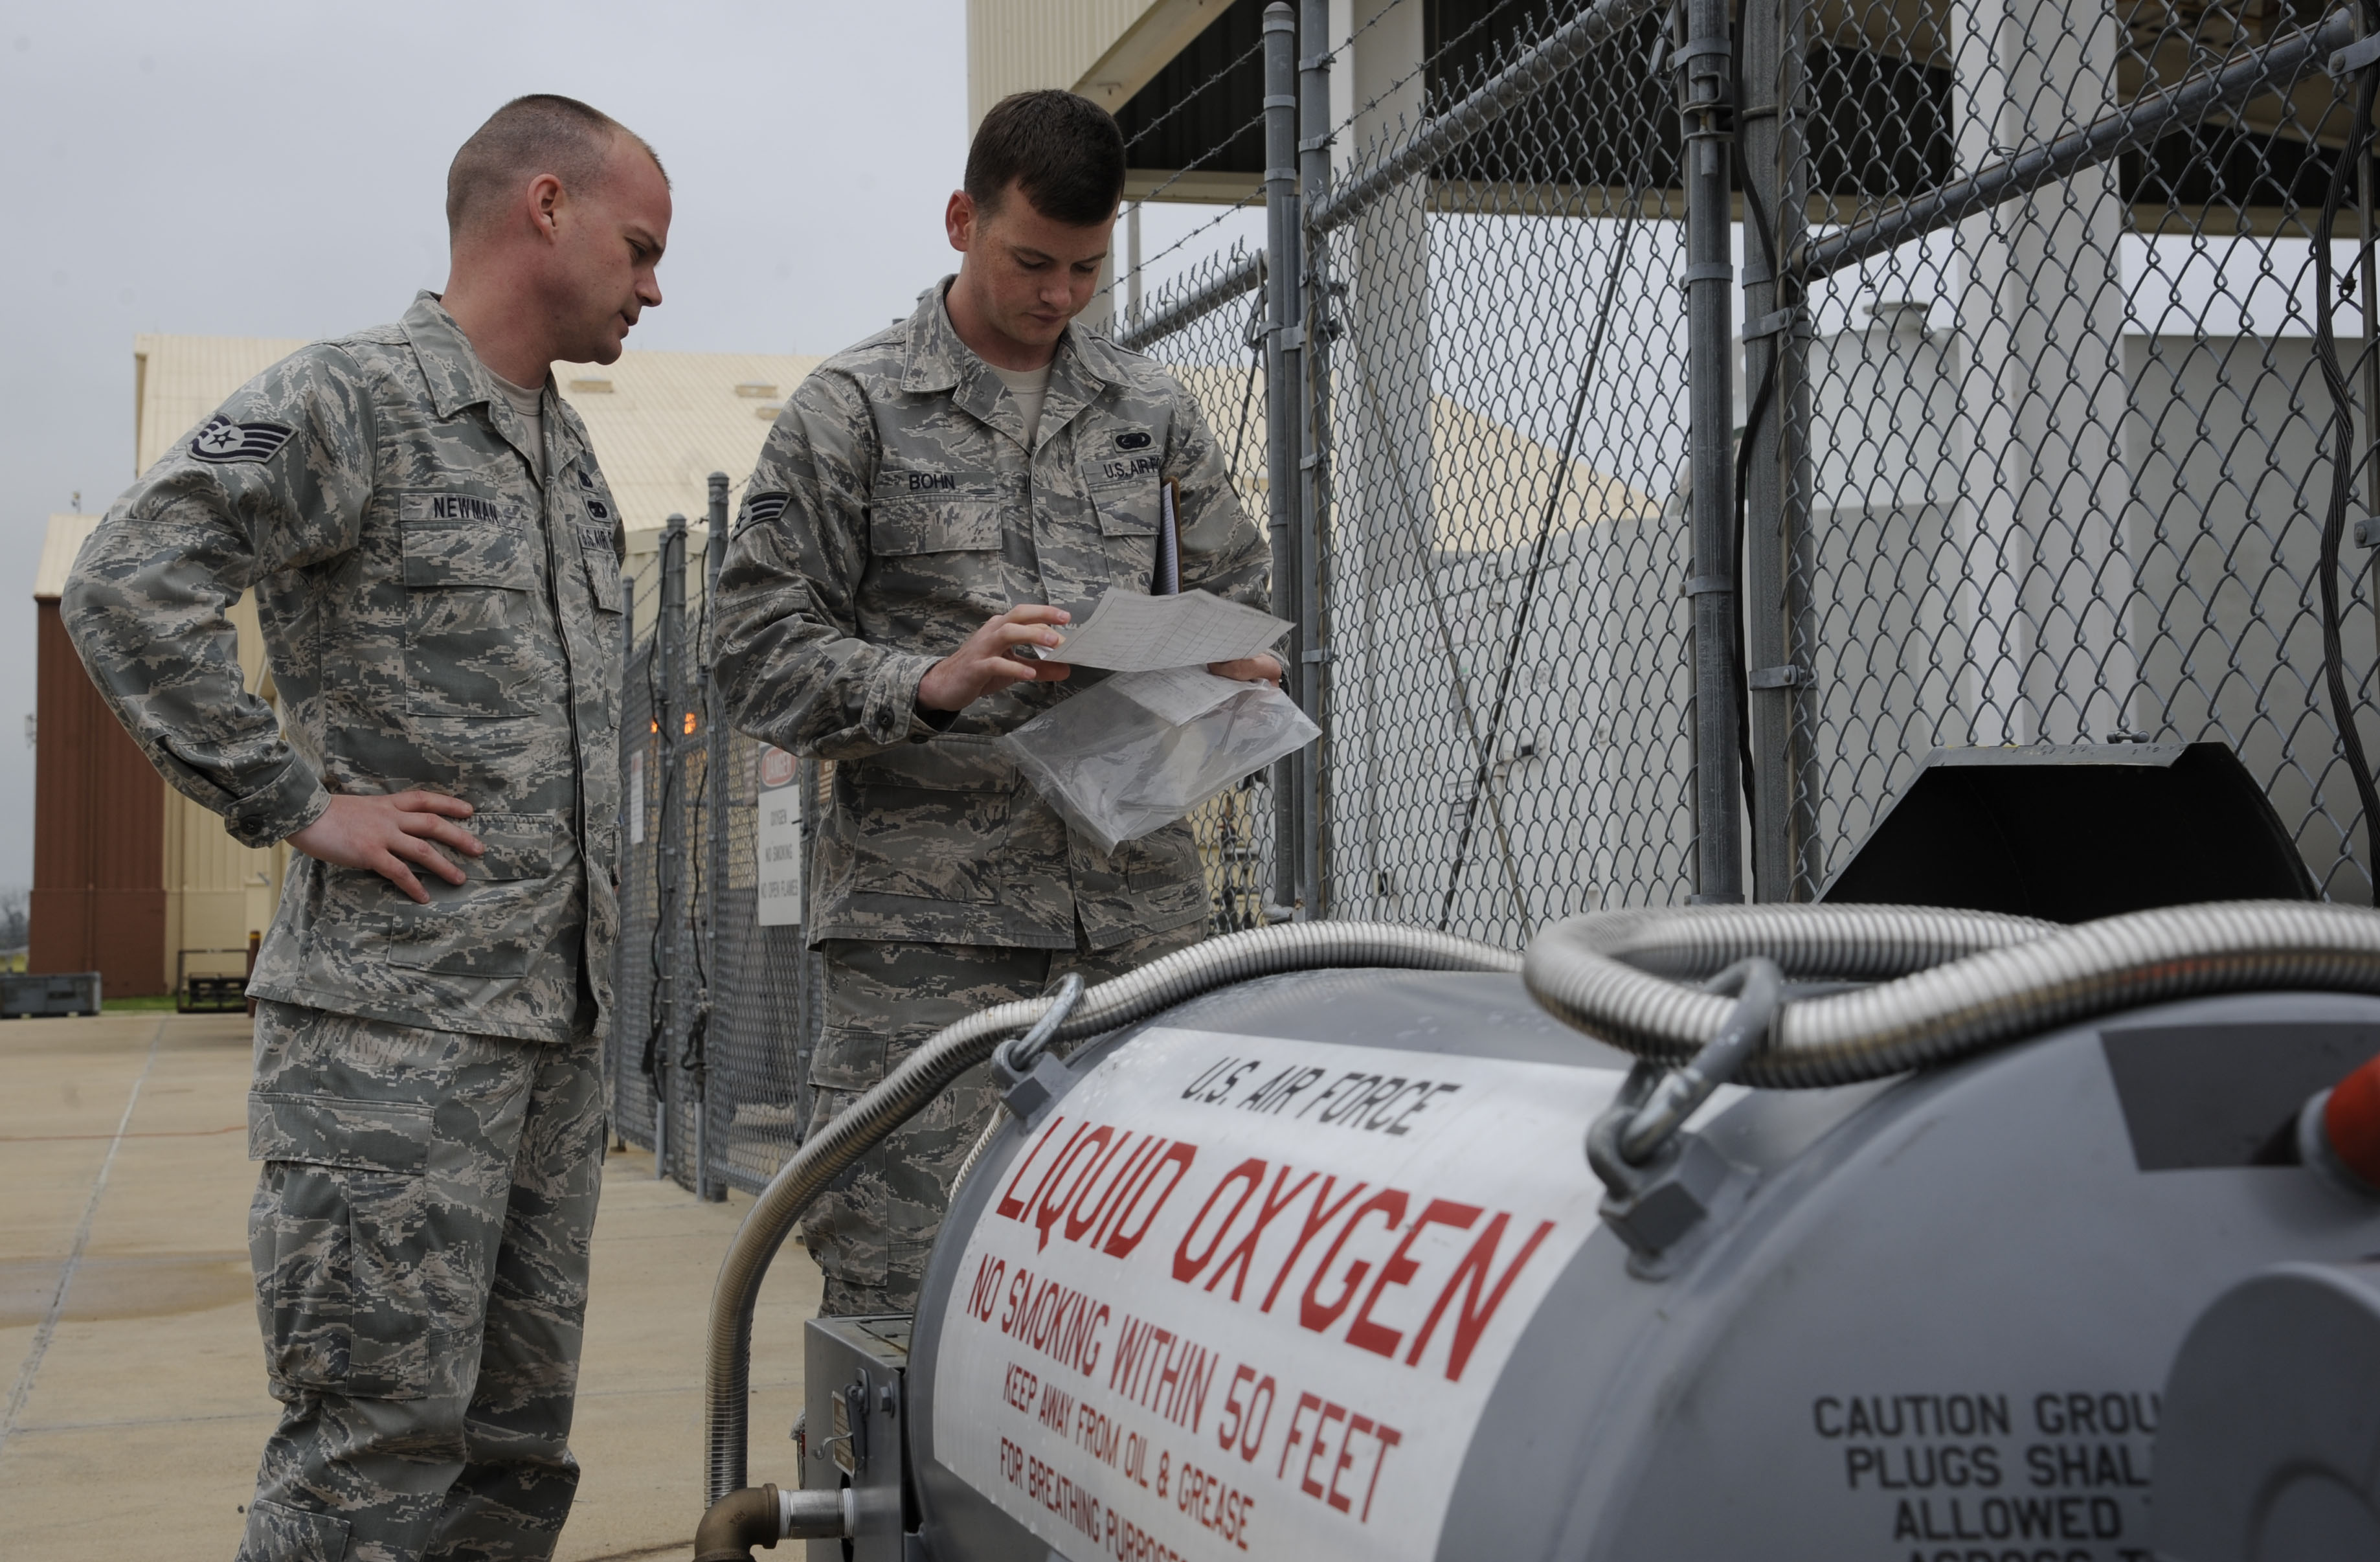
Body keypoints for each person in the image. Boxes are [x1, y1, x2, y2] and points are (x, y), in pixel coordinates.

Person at [62, 95, 669, 1562]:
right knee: (368, 1466)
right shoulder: (354, 402)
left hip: (549, 1049)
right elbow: (127, 584)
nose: (655, 286)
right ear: (545, 208)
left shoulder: (565, 458)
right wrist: (293, 804)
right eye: (639, 248)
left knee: (514, 1465)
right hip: (393, 1054)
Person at [713, 89, 1279, 1319]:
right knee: (908, 1289)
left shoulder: (1151, 415)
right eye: (1032, 261)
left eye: (1086, 268)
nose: (1060, 297)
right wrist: (928, 682)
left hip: (1133, 926)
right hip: (926, 947)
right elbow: (751, 651)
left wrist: (1231, 661)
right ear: (963, 220)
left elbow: (1238, 598)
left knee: (1140, 1282)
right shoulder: (850, 412)